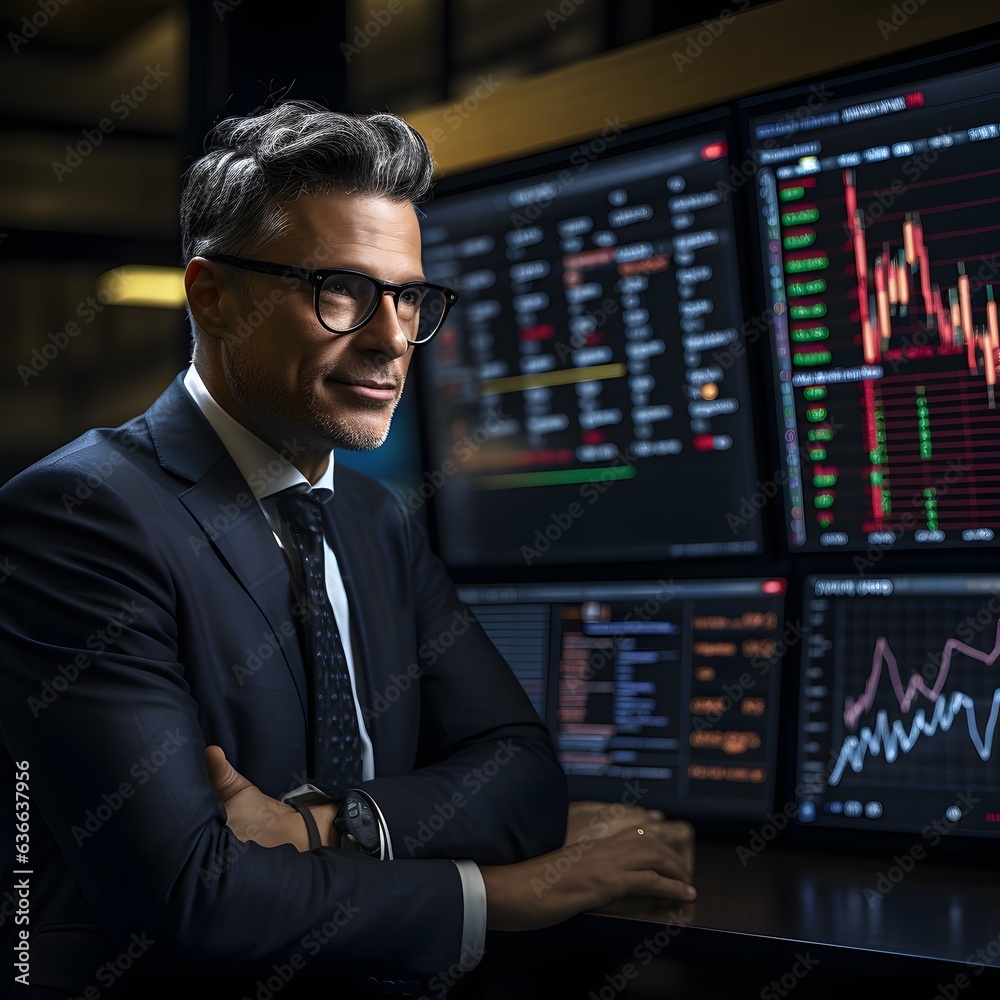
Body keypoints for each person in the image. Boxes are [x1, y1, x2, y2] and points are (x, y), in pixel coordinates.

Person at [0, 100, 695, 999]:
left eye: (409, 296)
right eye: (343, 291)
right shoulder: (78, 516)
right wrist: (507, 894)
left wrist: (330, 826)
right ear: (212, 297)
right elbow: (193, 899)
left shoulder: (373, 521)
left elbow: (524, 780)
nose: (394, 339)